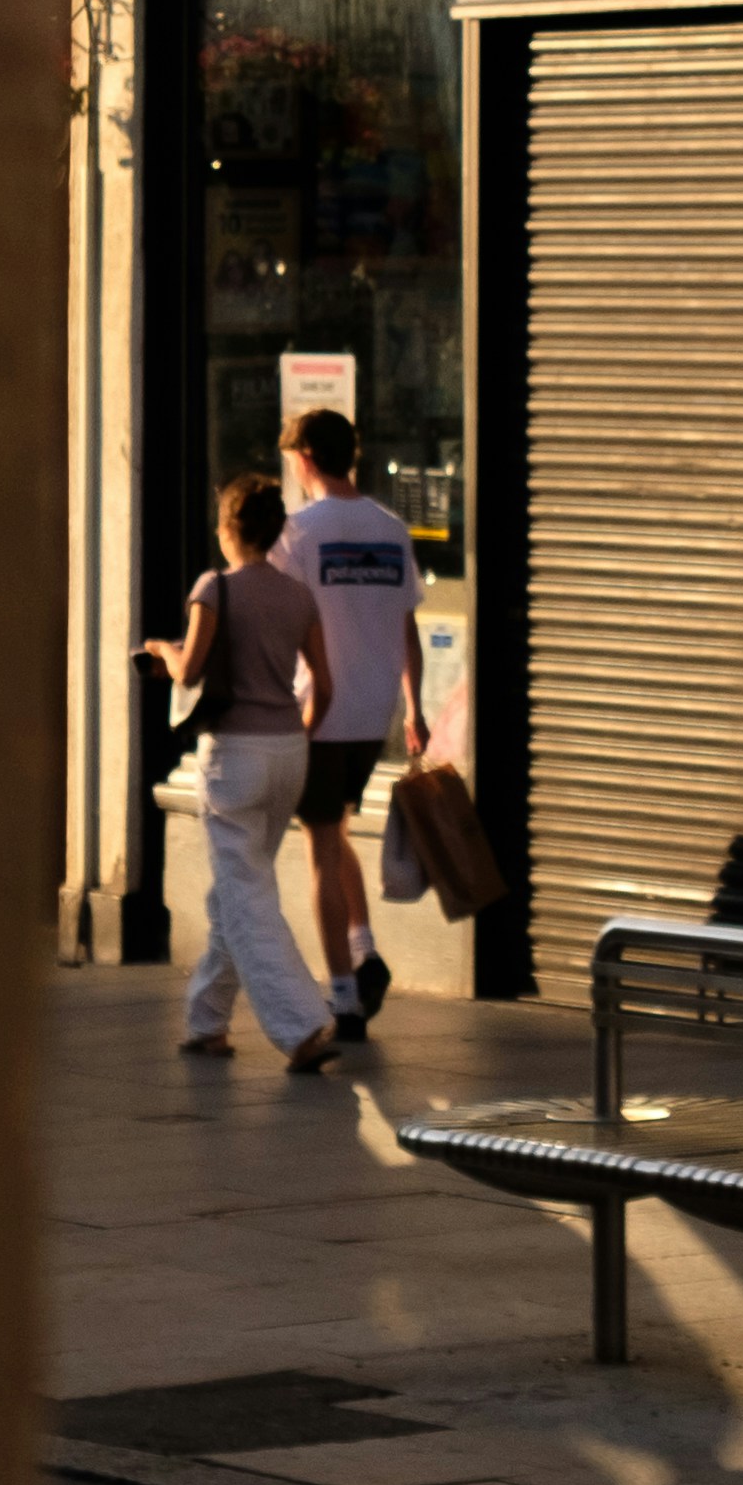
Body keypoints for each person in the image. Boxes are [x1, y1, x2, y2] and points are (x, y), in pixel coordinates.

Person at [142, 479, 338, 1070]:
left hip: (233, 756)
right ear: (276, 531)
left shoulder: (213, 587)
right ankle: (207, 1022)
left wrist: (161, 650)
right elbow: (323, 687)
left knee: (246, 893)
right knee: (237, 886)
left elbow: (190, 670)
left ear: (227, 528)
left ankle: (302, 1025)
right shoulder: (298, 596)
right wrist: (297, 734)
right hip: (288, 752)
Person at [277, 404, 429, 1037]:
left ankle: (343, 1002)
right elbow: (408, 627)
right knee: (334, 830)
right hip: (373, 715)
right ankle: (364, 952)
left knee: (318, 848)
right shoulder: (390, 529)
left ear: (306, 458)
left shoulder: (299, 532)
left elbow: (275, 618)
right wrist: (415, 709)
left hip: (319, 711)